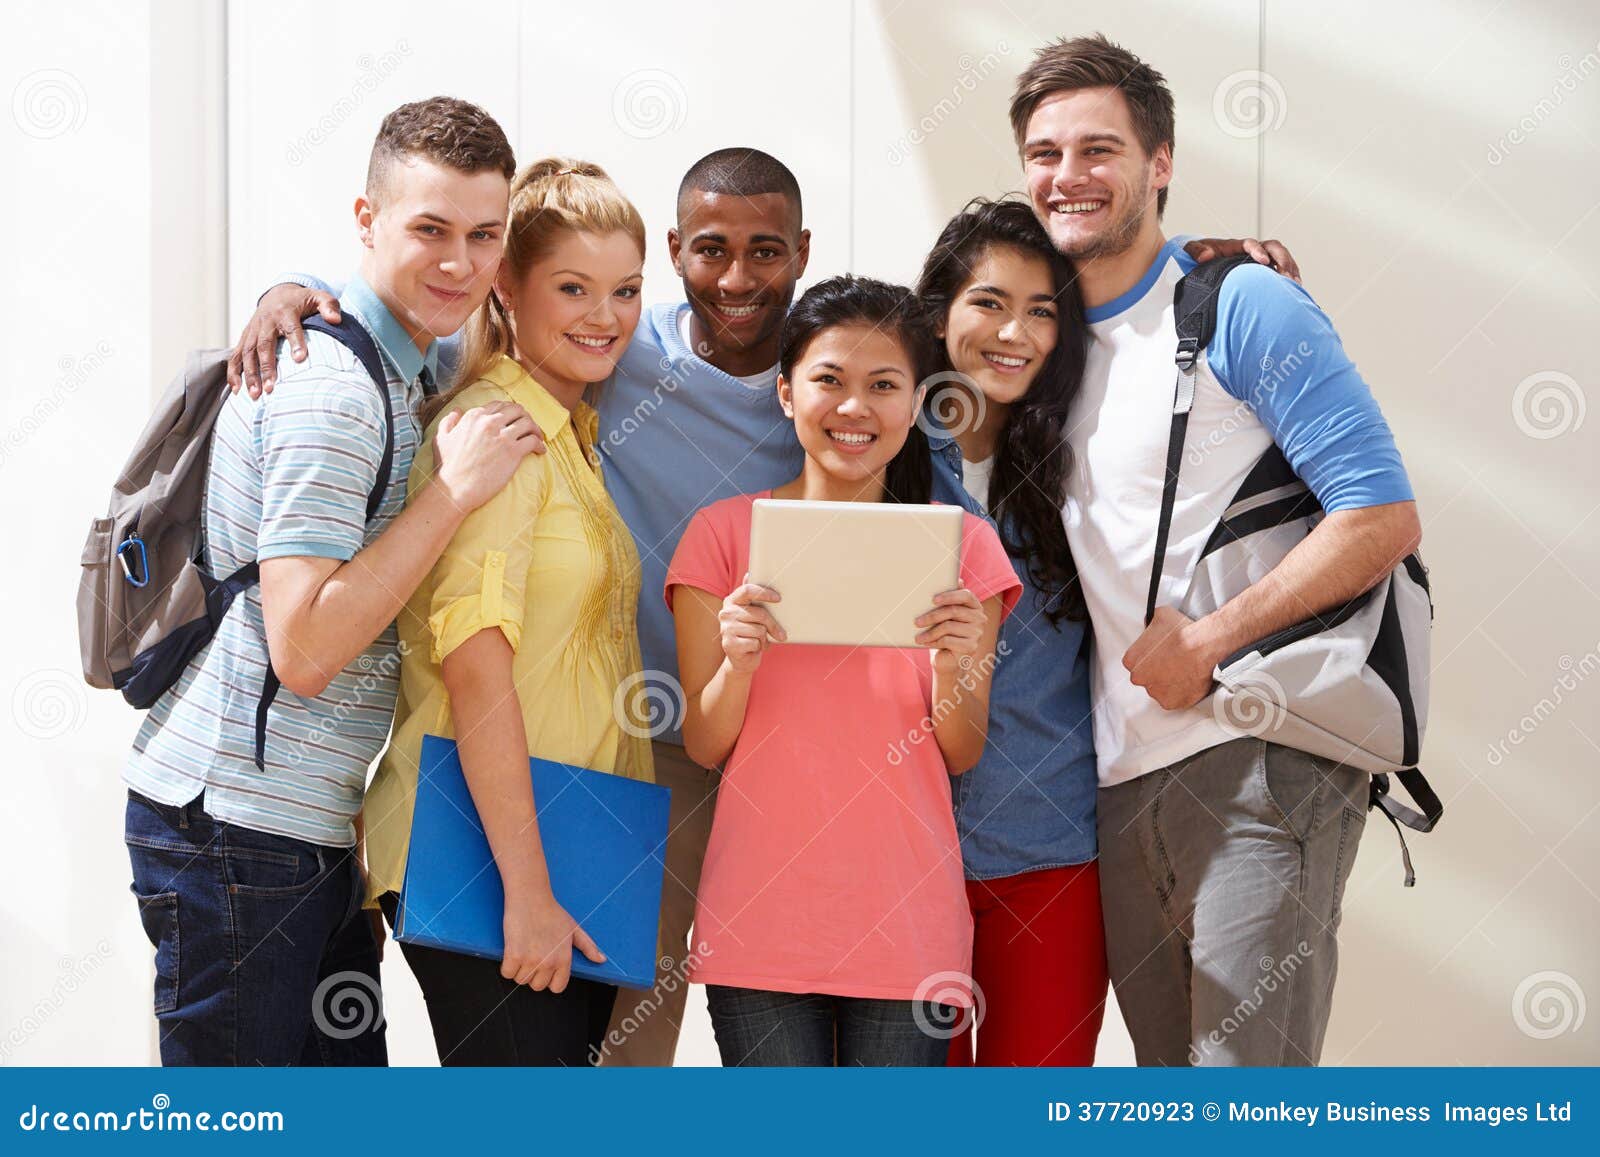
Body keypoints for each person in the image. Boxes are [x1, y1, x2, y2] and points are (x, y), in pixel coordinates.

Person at [227, 142, 1292, 1064]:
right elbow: (475, 272)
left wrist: (1200, 273)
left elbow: (1019, 330)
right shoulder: (591, 374)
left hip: (653, 792)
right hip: (644, 775)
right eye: (706, 251)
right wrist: (310, 292)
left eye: (764, 250)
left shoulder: (903, 464)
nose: (732, 277)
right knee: (615, 1060)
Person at [1011, 33, 1422, 1065]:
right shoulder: (1040, 339)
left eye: (1098, 149)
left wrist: (1209, 639)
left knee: (1246, 1098)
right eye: (1045, 152)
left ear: (1160, 162)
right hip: (1119, 778)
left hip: (1255, 751)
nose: (1068, 175)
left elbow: (1378, 515)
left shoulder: (1239, 303)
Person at [123, 97, 540, 1065]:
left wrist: (289, 282)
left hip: (294, 832)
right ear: (366, 221)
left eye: (484, 236)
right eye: (429, 229)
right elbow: (303, 648)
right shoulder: (334, 394)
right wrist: (455, 493)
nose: (459, 263)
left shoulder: (401, 357)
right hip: (234, 829)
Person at [669, 275, 1022, 1066]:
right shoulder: (723, 537)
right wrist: (738, 661)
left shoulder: (964, 549)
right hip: (760, 921)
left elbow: (960, 749)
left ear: (916, 401)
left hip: (907, 924)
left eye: (883, 385)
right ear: (788, 393)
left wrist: (951, 657)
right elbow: (703, 742)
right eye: (829, 380)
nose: (855, 407)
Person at [363, 159, 655, 1066]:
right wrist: (524, 887)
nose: (603, 316)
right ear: (507, 290)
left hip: (577, 846)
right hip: (489, 855)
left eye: (626, 290)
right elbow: (476, 666)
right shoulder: (496, 434)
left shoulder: (572, 433)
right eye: (572, 288)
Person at [913, 197, 1105, 1065]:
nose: (1014, 332)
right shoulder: (872, 438)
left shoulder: (1089, 456)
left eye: (1042, 311)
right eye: (990, 302)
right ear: (941, 312)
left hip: (1049, 842)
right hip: (900, 851)